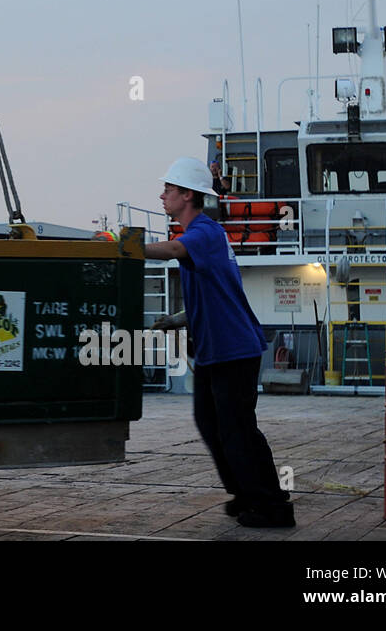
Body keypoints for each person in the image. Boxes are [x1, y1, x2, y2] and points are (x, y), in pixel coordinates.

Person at [144, 157, 294, 528]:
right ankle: (246, 492)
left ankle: (273, 506)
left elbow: (176, 251)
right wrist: (179, 320)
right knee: (211, 423)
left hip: (233, 350)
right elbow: (216, 291)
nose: (162, 195)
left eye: (169, 189)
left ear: (188, 195)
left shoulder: (204, 233)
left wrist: (130, 247)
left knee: (237, 428)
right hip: (216, 350)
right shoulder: (202, 237)